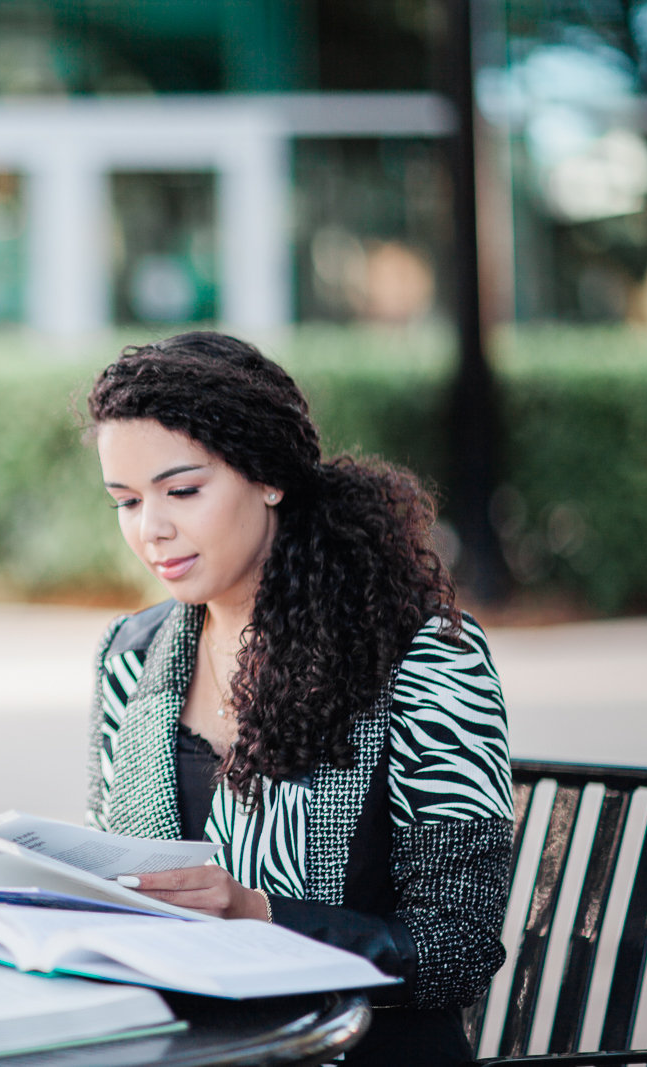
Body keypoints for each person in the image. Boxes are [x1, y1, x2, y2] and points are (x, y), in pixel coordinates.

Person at [84, 332, 512, 1067]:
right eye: (126, 501)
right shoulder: (130, 656)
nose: (151, 529)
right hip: (186, 1048)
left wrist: (261, 915)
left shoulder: (422, 657)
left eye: (182, 491)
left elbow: (458, 947)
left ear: (270, 478)